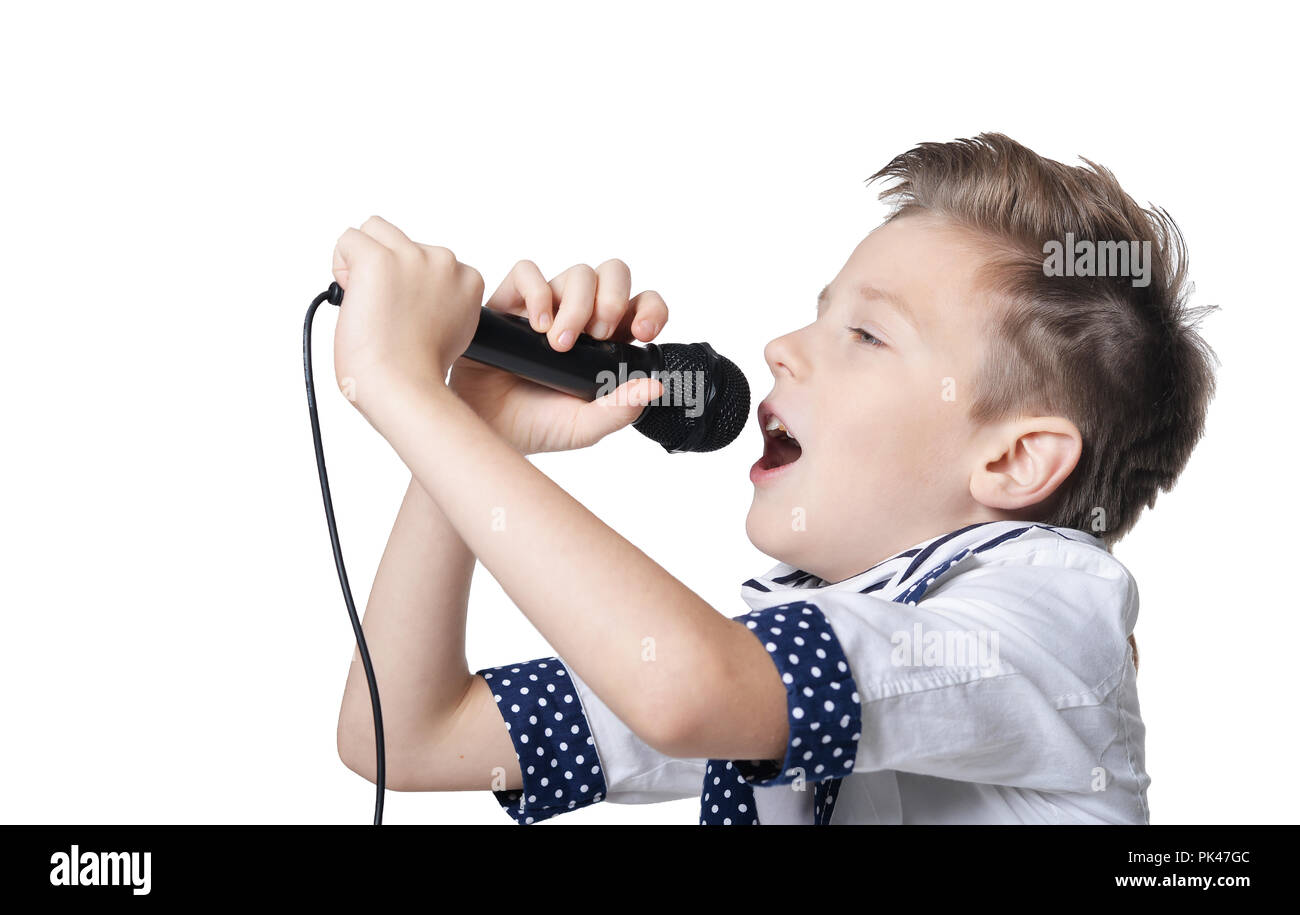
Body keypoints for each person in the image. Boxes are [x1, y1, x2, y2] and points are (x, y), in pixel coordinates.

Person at [332, 133, 1217, 824]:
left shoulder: (1052, 618)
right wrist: (474, 419)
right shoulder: (786, 656)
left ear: (1015, 460)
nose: (779, 349)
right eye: (817, 313)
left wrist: (406, 393)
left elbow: (685, 687)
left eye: (866, 336)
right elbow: (404, 733)